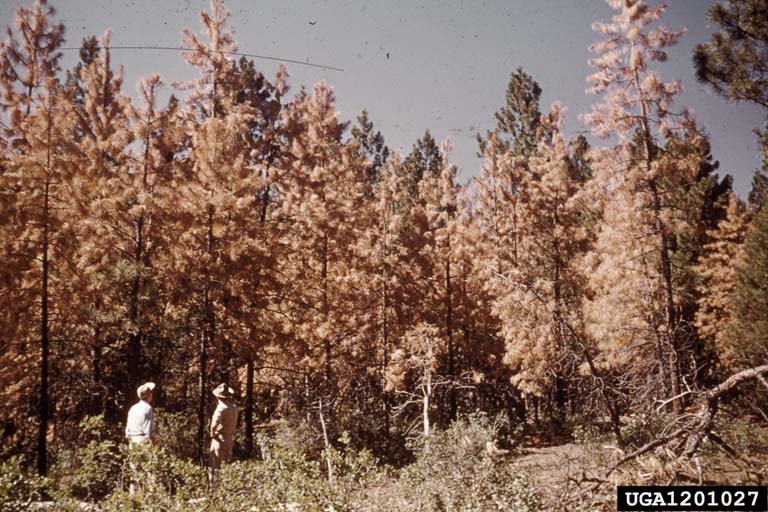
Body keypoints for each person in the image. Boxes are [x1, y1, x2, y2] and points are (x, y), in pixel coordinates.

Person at [125, 382, 156, 495]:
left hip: (133, 441)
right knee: (150, 469)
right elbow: (149, 430)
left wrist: (131, 440)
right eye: (151, 393)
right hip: (143, 440)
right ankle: (150, 495)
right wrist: (153, 443)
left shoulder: (133, 408)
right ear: (148, 395)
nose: (152, 394)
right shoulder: (148, 409)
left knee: (135, 469)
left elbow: (127, 430)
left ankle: (134, 496)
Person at [209, 383, 238, 471]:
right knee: (226, 467)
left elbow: (214, 424)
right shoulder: (234, 408)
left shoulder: (221, 408)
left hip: (220, 438)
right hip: (230, 439)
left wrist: (212, 434)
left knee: (215, 467)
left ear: (217, 397)